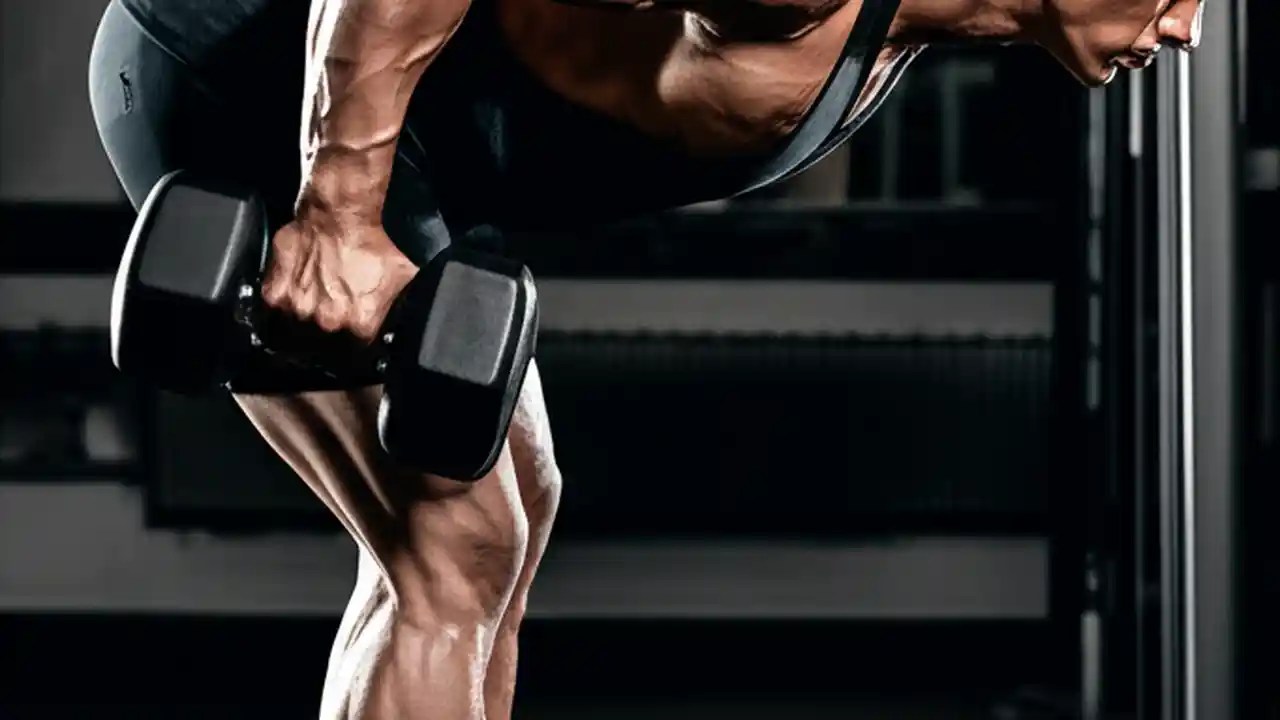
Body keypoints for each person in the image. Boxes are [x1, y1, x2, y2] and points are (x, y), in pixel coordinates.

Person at [87, 0, 1203, 716]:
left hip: (409, 149)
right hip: (243, 76)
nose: (1188, 26)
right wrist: (338, 206)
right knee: (452, 553)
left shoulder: (903, 27)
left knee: (510, 521)